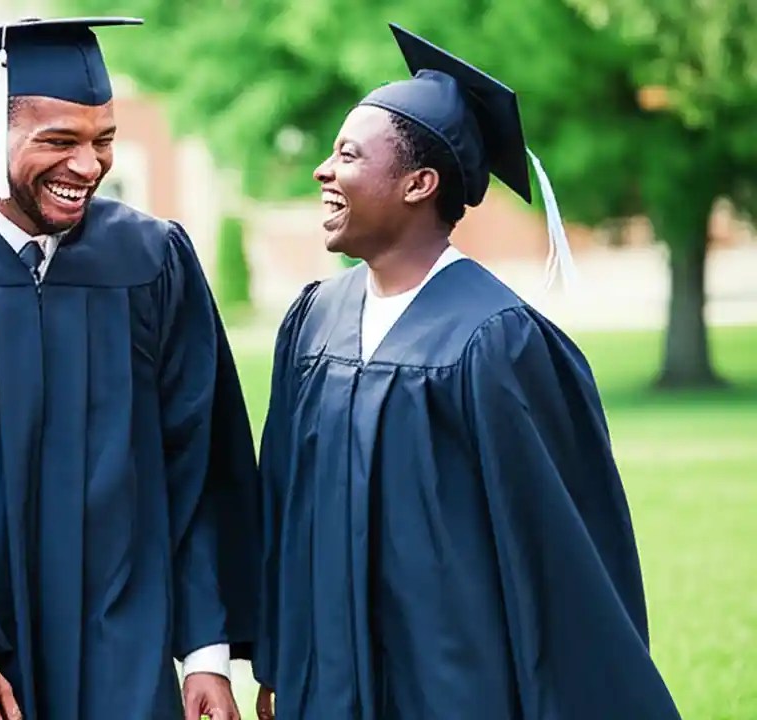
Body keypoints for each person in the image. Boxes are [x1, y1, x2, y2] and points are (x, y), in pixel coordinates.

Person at [252, 24, 681, 720]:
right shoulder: (314, 322)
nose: (322, 171)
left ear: (419, 183)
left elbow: (559, 558)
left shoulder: (497, 341)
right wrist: (279, 664)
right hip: (326, 686)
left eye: (348, 155)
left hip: (454, 689)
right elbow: (282, 508)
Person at [0, 16, 262, 720]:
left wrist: (207, 654)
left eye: (104, 141)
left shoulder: (151, 260)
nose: (89, 165)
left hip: (124, 652)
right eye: (59, 141)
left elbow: (202, 463)